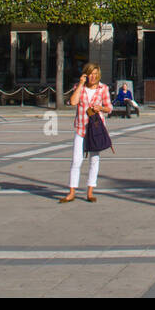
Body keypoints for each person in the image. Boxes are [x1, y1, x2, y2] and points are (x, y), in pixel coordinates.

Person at [60, 63, 112, 204]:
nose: (93, 76)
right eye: (90, 74)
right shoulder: (80, 87)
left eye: (95, 74)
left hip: (95, 129)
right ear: (85, 74)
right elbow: (73, 102)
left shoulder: (103, 88)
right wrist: (81, 84)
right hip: (81, 128)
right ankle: (72, 192)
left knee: (94, 160)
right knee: (76, 160)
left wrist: (100, 107)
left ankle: (90, 191)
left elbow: (109, 108)